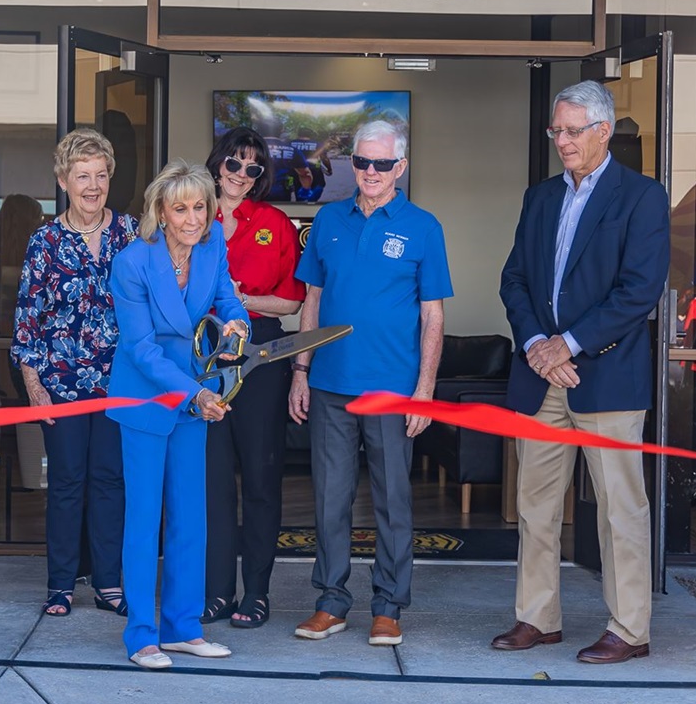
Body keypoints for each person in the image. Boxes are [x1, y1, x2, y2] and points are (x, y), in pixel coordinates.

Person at [495, 80, 669, 664]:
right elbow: (514, 278)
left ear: (603, 131)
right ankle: (537, 618)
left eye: (572, 131)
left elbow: (639, 291)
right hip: (542, 377)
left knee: (621, 510)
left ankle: (629, 629)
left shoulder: (641, 197)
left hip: (606, 377)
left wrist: (567, 345)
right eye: (556, 131)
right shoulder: (540, 197)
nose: (562, 141)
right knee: (535, 505)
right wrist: (538, 343)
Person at [289, 119, 452, 648]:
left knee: (392, 501)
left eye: (383, 163)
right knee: (330, 500)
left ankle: (388, 606)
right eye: (362, 162)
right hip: (332, 386)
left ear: (400, 166)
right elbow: (311, 301)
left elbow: (433, 316)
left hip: (392, 390)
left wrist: (425, 391)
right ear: (351, 164)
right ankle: (331, 602)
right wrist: (301, 370)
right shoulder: (327, 221)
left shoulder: (424, 226)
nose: (371, 172)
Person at [106, 160, 249, 669]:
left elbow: (229, 301)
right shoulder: (132, 262)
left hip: (196, 401)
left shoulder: (213, 247)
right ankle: (142, 635)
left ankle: (183, 628)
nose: (193, 218)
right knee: (144, 522)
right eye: (181, 208)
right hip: (148, 400)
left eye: (201, 207)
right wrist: (196, 394)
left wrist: (236, 328)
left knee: (191, 519)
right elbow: (142, 349)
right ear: (160, 212)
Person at [10, 129, 138, 617]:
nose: (92, 185)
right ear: (63, 180)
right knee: (66, 481)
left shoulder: (131, 232)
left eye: (100, 175)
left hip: (121, 385)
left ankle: (108, 582)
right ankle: (61, 583)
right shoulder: (45, 241)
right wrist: (34, 387)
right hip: (61, 386)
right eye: (82, 175)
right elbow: (27, 319)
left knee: (110, 480)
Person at [202, 128, 304, 629]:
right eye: (234, 164)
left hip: (262, 356)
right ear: (218, 163)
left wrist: (240, 299)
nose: (241, 175)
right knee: (211, 483)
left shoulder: (274, 224)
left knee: (261, 481)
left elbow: (292, 301)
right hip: (203, 359)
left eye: (253, 169)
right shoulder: (191, 214)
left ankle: (256, 593)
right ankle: (216, 592)